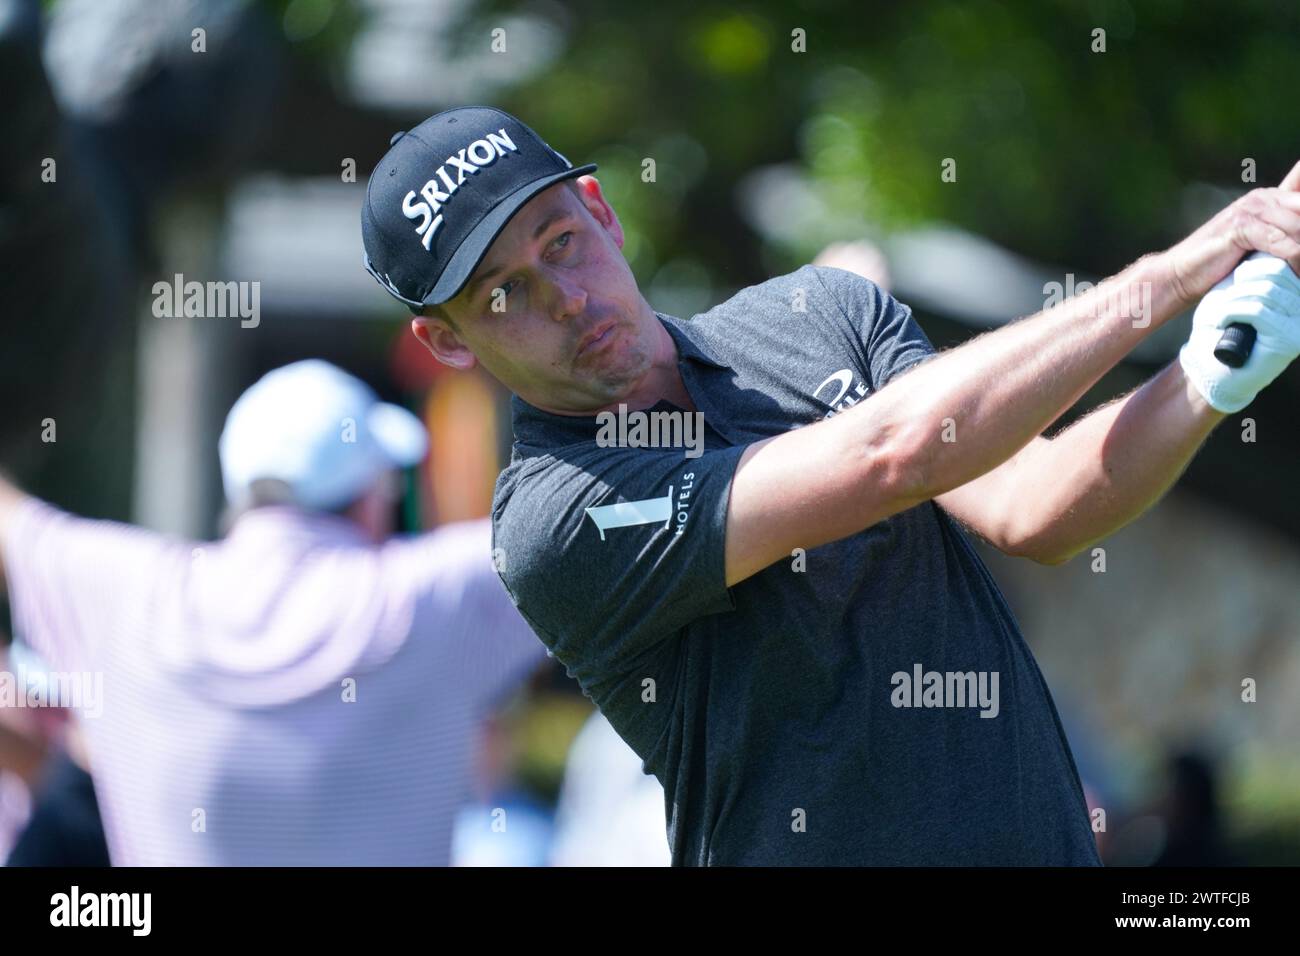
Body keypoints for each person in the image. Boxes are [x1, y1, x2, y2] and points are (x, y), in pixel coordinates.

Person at [361, 106, 1300, 865]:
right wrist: (1170, 277)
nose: (562, 299)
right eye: (501, 294)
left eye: (559, 241)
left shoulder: (821, 314)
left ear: (602, 211)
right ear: (447, 343)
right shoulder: (553, 517)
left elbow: (1034, 507)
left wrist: (1213, 374)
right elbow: (892, 455)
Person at [0, 359, 547, 865]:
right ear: (373, 496)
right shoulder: (431, 597)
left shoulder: (128, 593)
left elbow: (16, 524)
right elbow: (593, 521)